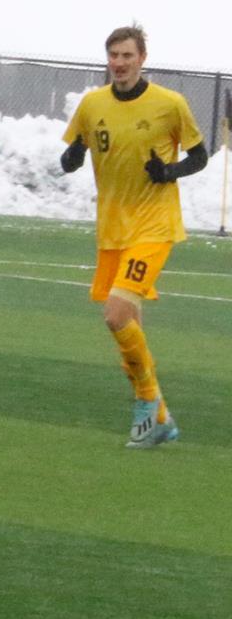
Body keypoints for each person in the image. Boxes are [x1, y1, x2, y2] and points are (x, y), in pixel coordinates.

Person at [60, 24, 206, 448]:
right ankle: (161, 420)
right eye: (113, 55)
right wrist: (73, 154)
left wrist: (169, 172)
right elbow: (76, 151)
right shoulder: (92, 104)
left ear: (142, 58)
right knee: (128, 330)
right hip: (112, 230)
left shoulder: (169, 104)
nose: (119, 63)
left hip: (154, 225)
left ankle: (146, 403)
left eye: (127, 55)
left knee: (115, 315)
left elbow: (199, 155)